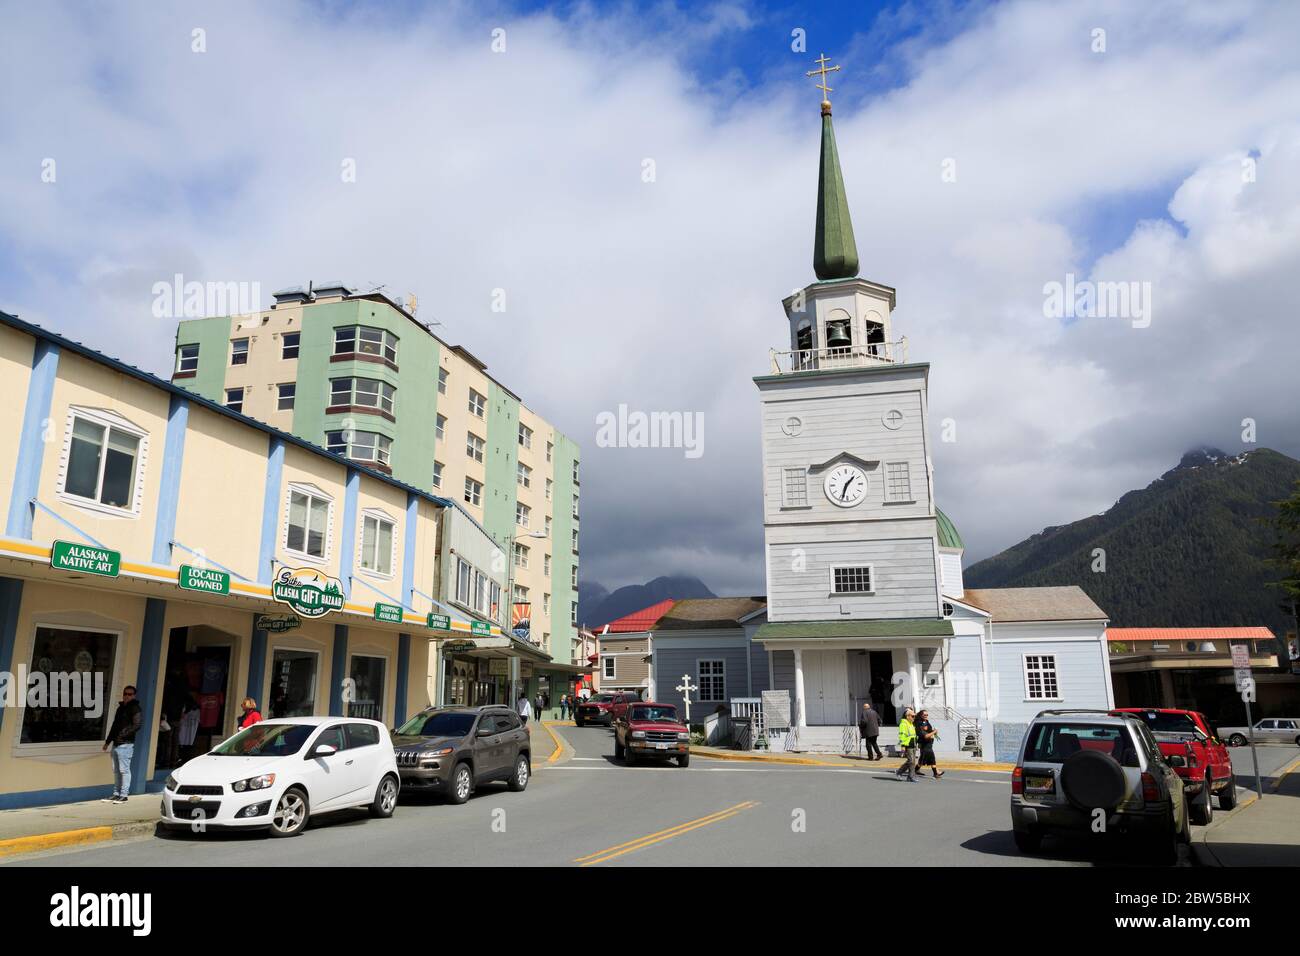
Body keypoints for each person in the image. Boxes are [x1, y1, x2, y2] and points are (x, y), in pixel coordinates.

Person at [102, 685, 142, 803]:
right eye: (125, 694)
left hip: (126, 744)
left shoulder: (135, 708)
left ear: (134, 695)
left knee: (124, 770)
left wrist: (122, 734)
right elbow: (114, 726)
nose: (127, 696)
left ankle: (124, 795)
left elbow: (137, 725)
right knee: (116, 770)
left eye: (130, 694)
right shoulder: (120, 708)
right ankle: (116, 793)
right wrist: (107, 742)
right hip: (116, 743)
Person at [915, 709, 944, 778]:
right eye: (924, 715)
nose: (926, 716)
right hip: (925, 743)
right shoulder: (919, 723)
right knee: (932, 758)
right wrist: (934, 732)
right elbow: (925, 736)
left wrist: (934, 731)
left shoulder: (926, 722)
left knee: (922, 759)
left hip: (929, 743)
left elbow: (929, 731)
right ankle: (936, 773)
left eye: (927, 715)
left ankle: (915, 770)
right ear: (921, 715)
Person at [895, 707, 919, 782]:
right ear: (907, 716)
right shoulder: (903, 724)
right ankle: (899, 772)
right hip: (907, 744)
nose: (914, 717)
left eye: (914, 716)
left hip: (913, 744)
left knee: (913, 762)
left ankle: (910, 777)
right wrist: (903, 746)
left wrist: (916, 744)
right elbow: (902, 735)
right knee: (911, 761)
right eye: (912, 716)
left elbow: (913, 735)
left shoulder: (911, 724)